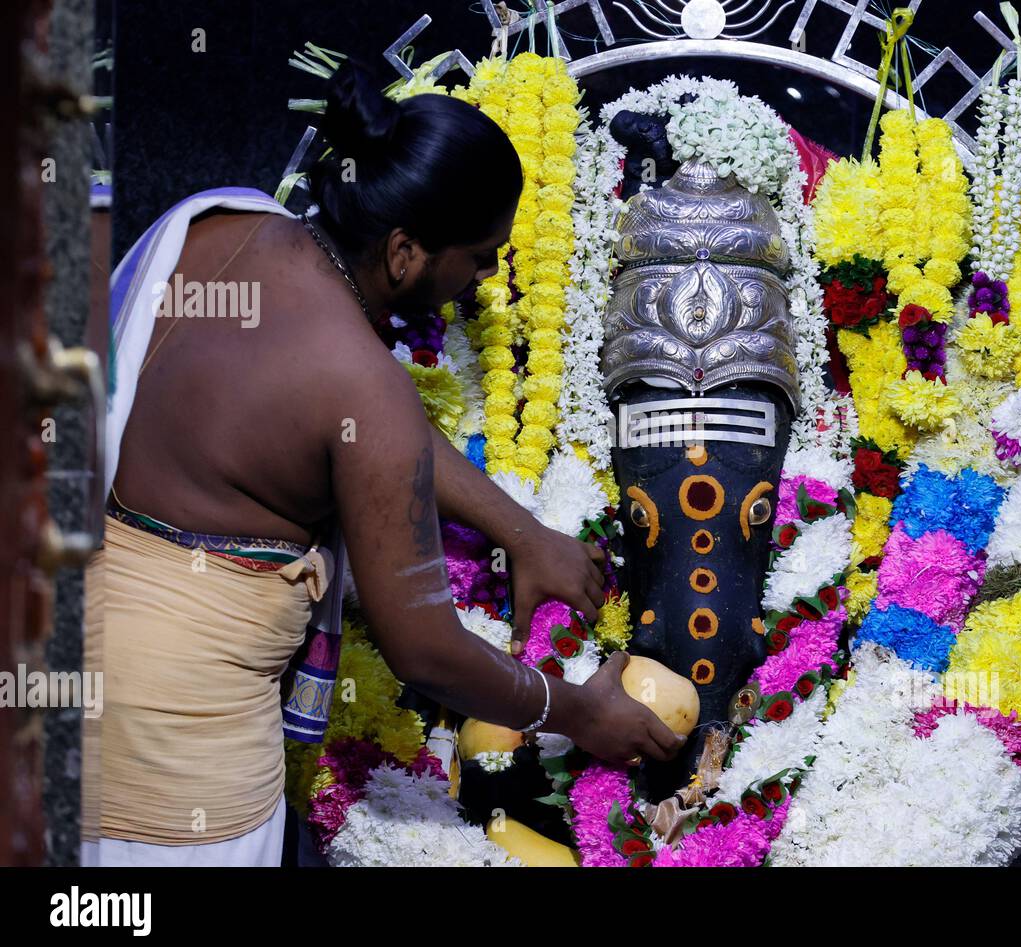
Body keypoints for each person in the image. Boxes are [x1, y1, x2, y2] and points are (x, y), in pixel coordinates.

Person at [88, 61, 682, 866]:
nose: (482, 282)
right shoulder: (365, 390)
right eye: (477, 258)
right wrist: (579, 712)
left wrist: (520, 531)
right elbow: (427, 649)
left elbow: (350, 422)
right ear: (404, 251)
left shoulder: (219, 228)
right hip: (181, 753)